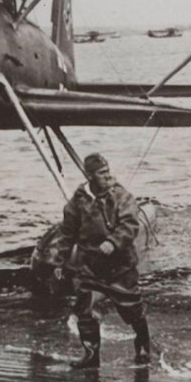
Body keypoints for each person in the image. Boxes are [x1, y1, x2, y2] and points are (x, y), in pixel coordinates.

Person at [53, 153, 153, 369]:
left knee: (131, 306)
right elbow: (67, 234)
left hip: (120, 264)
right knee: (86, 310)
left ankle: (143, 344)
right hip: (90, 264)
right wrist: (60, 262)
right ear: (90, 176)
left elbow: (130, 224)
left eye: (108, 170)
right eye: (101, 173)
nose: (107, 176)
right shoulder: (77, 202)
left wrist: (113, 242)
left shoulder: (121, 195)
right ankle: (91, 355)